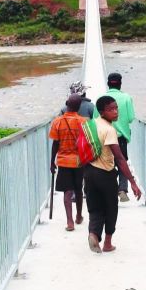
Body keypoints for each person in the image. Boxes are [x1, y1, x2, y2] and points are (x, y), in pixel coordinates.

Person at [84, 95, 142, 254]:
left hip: (88, 172)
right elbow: (120, 159)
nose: (116, 112)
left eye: (116, 108)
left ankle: (93, 234)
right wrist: (132, 182)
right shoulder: (109, 130)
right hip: (105, 174)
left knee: (95, 207)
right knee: (110, 208)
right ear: (102, 111)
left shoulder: (91, 124)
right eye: (111, 109)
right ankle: (107, 243)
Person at [49, 94, 86, 231]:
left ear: (66, 104)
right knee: (78, 188)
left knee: (67, 192)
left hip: (63, 161)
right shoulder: (83, 122)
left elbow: (55, 144)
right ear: (79, 106)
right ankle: (79, 216)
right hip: (79, 161)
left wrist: (52, 162)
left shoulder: (58, 121)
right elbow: (86, 143)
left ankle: (69, 222)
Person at [103, 72, 136, 201]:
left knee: (107, 163)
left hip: (105, 137)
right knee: (122, 162)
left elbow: (96, 118)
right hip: (120, 137)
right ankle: (122, 189)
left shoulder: (102, 97)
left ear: (108, 83)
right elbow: (131, 118)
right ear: (120, 84)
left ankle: (109, 189)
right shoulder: (127, 97)